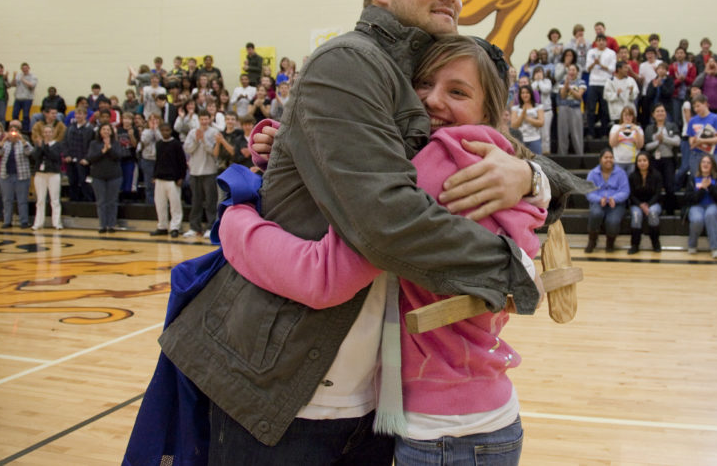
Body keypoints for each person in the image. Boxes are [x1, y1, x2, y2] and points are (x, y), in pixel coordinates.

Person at [156, 0, 580, 465]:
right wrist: (513, 269)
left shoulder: (414, 79)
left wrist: (532, 177)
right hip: (291, 387)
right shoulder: (350, 62)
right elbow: (386, 224)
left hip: (377, 399)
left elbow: (496, 149)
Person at [201, 39, 545, 465]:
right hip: (474, 403)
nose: (433, 99)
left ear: (489, 111)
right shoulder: (498, 159)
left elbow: (325, 274)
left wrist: (235, 218)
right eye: (422, 83)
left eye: (457, 92)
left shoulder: (442, 159)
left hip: (442, 422)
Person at [585, 148, 629, 254]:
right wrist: (599, 199)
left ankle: (610, 243)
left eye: (611, 157)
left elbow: (625, 191)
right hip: (598, 202)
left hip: (616, 204)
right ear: (600, 159)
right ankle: (592, 241)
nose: (608, 160)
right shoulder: (593, 173)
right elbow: (588, 192)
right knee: (595, 213)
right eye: (606, 157)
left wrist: (615, 198)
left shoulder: (621, 173)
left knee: (612, 221)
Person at [683, 154, 717, 259]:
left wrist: (710, 186)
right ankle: (692, 244)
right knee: (697, 219)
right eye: (703, 162)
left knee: (710, 214)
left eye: (708, 162)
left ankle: (715, 248)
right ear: (699, 164)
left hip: (713, 205)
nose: (705, 164)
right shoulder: (693, 178)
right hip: (696, 206)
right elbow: (689, 198)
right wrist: (702, 189)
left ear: (712, 165)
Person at [183, 112, 219, 238]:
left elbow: (214, 151)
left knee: (210, 201)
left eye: (206, 119)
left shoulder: (214, 132)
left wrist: (203, 140)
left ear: (210, 119)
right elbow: (188, 149)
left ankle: (210, 227)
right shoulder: (192, 132)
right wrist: (197, 141)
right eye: (202, 119)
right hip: (194, 171)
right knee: (196, 201)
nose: (204, 121)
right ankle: (194, 227)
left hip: (209, 171)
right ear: (198, 120)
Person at [150, 121, 187, 237]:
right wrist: (154, 175)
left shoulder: (176, 144)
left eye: (167, 130)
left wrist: (181, 177)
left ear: (171, 131)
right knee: (160, 204)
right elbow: (157, 161)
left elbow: (182, 162)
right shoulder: (159, 144)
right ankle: (162, 226)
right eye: (163, 130)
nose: (165, 132)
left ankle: (175, 227)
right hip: (160, 179)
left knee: (175, 205)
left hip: (173, 180)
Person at [643, 103, 681, 215]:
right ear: (653, 115)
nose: (660, 113)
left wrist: (664, 139)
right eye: (657, 111)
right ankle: (656, 209)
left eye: (662, 111)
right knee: (655, 187)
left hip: (669, 160)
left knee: (670, 186)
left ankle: (670, 211)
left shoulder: (672, 126)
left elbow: (677, 142)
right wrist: (657, 142)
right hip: (654, 161)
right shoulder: (649, 128)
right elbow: (646, 146)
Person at [87, 123, 122, 234]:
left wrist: (109, 148)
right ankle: (102, 225)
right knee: (101, 201)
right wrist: (103, 151)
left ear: (111, 132)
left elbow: (118, 156)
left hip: (114, 176)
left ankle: (111, 225)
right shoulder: (94, 144)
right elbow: (91, 158)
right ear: (100, 131)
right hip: (98, 176)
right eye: (104, 129)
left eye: (108, 129)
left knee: (112, 201)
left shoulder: (116, 144)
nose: (106, 131)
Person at [0, 121, 33, 229]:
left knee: (22, 200)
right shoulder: (5, 143)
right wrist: (3, 139)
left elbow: (29, 152)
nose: (13, 133)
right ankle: (7, 221)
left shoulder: (23, 142)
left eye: (15, 131)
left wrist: (21, 140)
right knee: (7, 200)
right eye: (11, 131)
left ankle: (24, 221)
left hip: (21, 176)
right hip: (6, 176)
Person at [627, 150, 663, 254]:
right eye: (639, 161)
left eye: (644, 160)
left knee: (652, 213)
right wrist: (640, 205)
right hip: (637, 204)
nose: (642, 163)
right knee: (636, 215)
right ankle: (635, 245)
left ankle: (656, 243)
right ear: (636, 163)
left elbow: (658, 194)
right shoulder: (632, 176)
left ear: (649, 161)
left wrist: (648, 205)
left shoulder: (657, 175)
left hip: (654, 203)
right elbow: (631, 195)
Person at [29, 124, 63, 230]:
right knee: (40, 199)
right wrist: (40, 147)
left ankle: (56, 223)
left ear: (53, 133)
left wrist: (46, 146)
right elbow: (35, 157)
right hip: (40, 174)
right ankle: (38, 223)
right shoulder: (38, 144)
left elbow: (55, 157)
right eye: (45, 132)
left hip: (53, 174)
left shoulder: (57, 145)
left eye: (49, 132)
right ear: (42, 133)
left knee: (55, 200)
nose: (47, 134)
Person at [685, 94, 717, 179]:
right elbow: (690, 137)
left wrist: (703, 141)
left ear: (705, 104)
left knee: (713, 179)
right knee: (696, 180)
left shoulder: (716, 118)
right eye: (694, 107)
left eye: (698, 106)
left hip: (712, 154)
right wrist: (694, 141)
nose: (696, 109)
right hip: (696, 154)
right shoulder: (692, 120)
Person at [584, 33, 616, 137]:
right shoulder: (591, 52)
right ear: (596, 42)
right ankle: (591, 133)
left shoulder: (611, 53)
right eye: (599, 40)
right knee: (591, 109)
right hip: (593, 83)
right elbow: (587, 68)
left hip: (605, 83)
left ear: (606, 42)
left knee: (604, 110)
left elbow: (612, 69)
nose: (601, 42)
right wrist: (594, 63)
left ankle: (604, 133)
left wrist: (600, 64)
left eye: (603, 40)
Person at [556, 63, 586, 155]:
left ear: (577, 72)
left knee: (577, 133)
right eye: (570, 70)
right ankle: (562, 154)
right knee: (562, 133)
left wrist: (569, 88)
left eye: (573, 70)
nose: (571, 72)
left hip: (575, 108)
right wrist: (566, 86)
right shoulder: (562, 82)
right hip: (563, 108)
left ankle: (580, 155)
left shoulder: (581, 82)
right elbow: (563, 96)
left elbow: (578, 96)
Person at [511, 84, 544, 155]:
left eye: (527, 92)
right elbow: (514, 125)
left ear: (531, 94)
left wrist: (527, 118)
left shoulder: (538, 107)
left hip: (535, 139)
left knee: (538, 162)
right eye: (522, 93)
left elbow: (541, 123)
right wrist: (522, 115)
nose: (525, 95)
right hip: (520, 140)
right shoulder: (515, 108)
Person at [609, 106, 643, 174]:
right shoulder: (615, 127)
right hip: (618, 161)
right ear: (622, 116)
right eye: (625, 115)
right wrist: (619, 130)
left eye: (630, 115)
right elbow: (612, 144)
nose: (628, 117)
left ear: (633, 117)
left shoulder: (638, 128)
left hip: (633, 161)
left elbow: (640, 146)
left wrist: (636, 131)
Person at [604, 61, 639, 126]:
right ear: (619, 69)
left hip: (630, 112)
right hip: (617, 113)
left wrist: (631, 92)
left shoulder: (631, 80)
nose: (627, 70)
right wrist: (616, 94)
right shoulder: (610, 81)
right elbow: (606, 95)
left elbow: (635, 94)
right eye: (625, 68)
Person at [530, 66, 553, 154]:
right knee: (536, 134)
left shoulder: (547, 81)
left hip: (546, 111)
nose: (539, 74)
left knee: (545, 134)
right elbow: (532, 91)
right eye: (537, 72)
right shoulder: (532, 82)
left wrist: (540, 81)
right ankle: (537, 153)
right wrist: (536, 81)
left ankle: (546, 153)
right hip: (534, 111)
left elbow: (545, 90)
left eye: (540, 72)